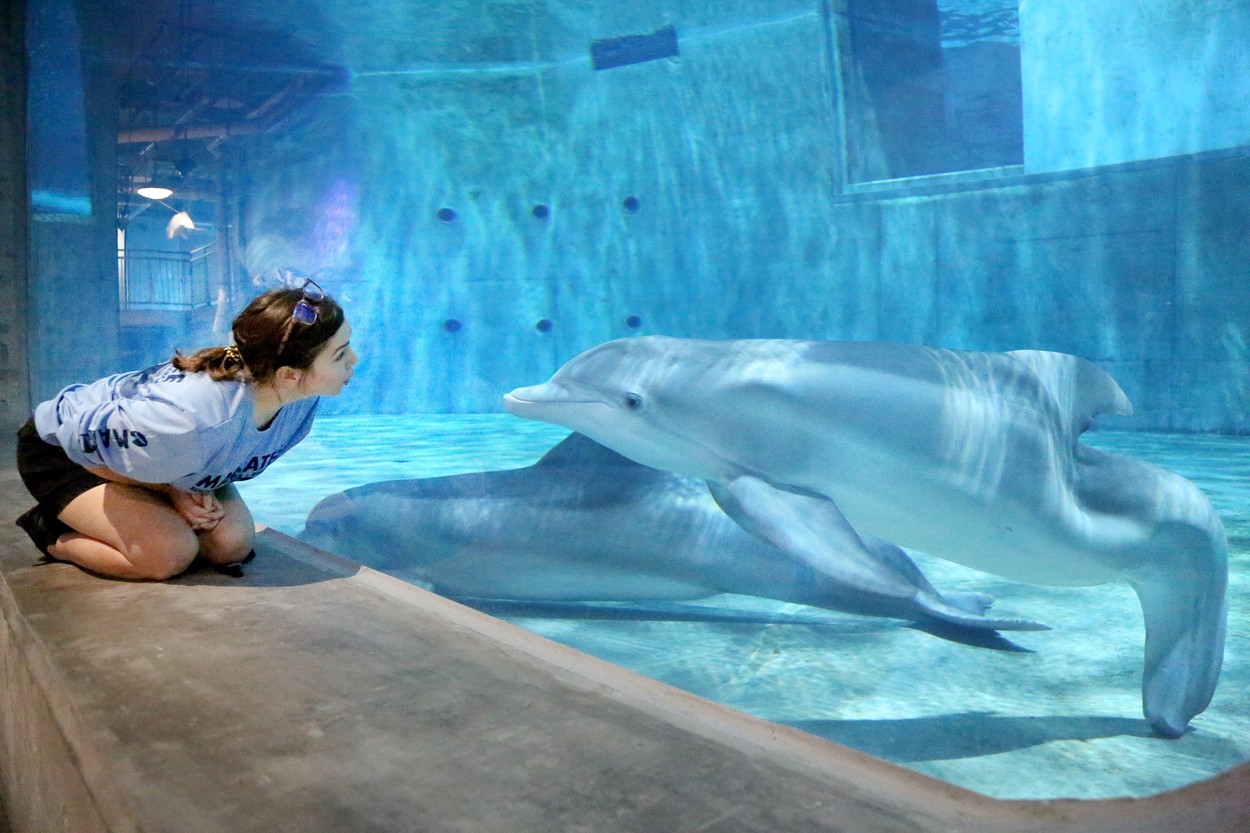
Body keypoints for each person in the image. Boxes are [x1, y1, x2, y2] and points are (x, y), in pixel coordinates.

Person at [13, 279, 357, 580]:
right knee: (168, 554)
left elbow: (223, 451)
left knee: (231, 546)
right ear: (288, 376)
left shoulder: (298, 402)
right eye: (340, 355)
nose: (353, 360)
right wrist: (170, 487)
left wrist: (179, 478)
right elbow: (80, 442)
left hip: (166, 457)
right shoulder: (186, 422)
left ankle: (152, 491)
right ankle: (52, 532)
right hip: (60, 451)